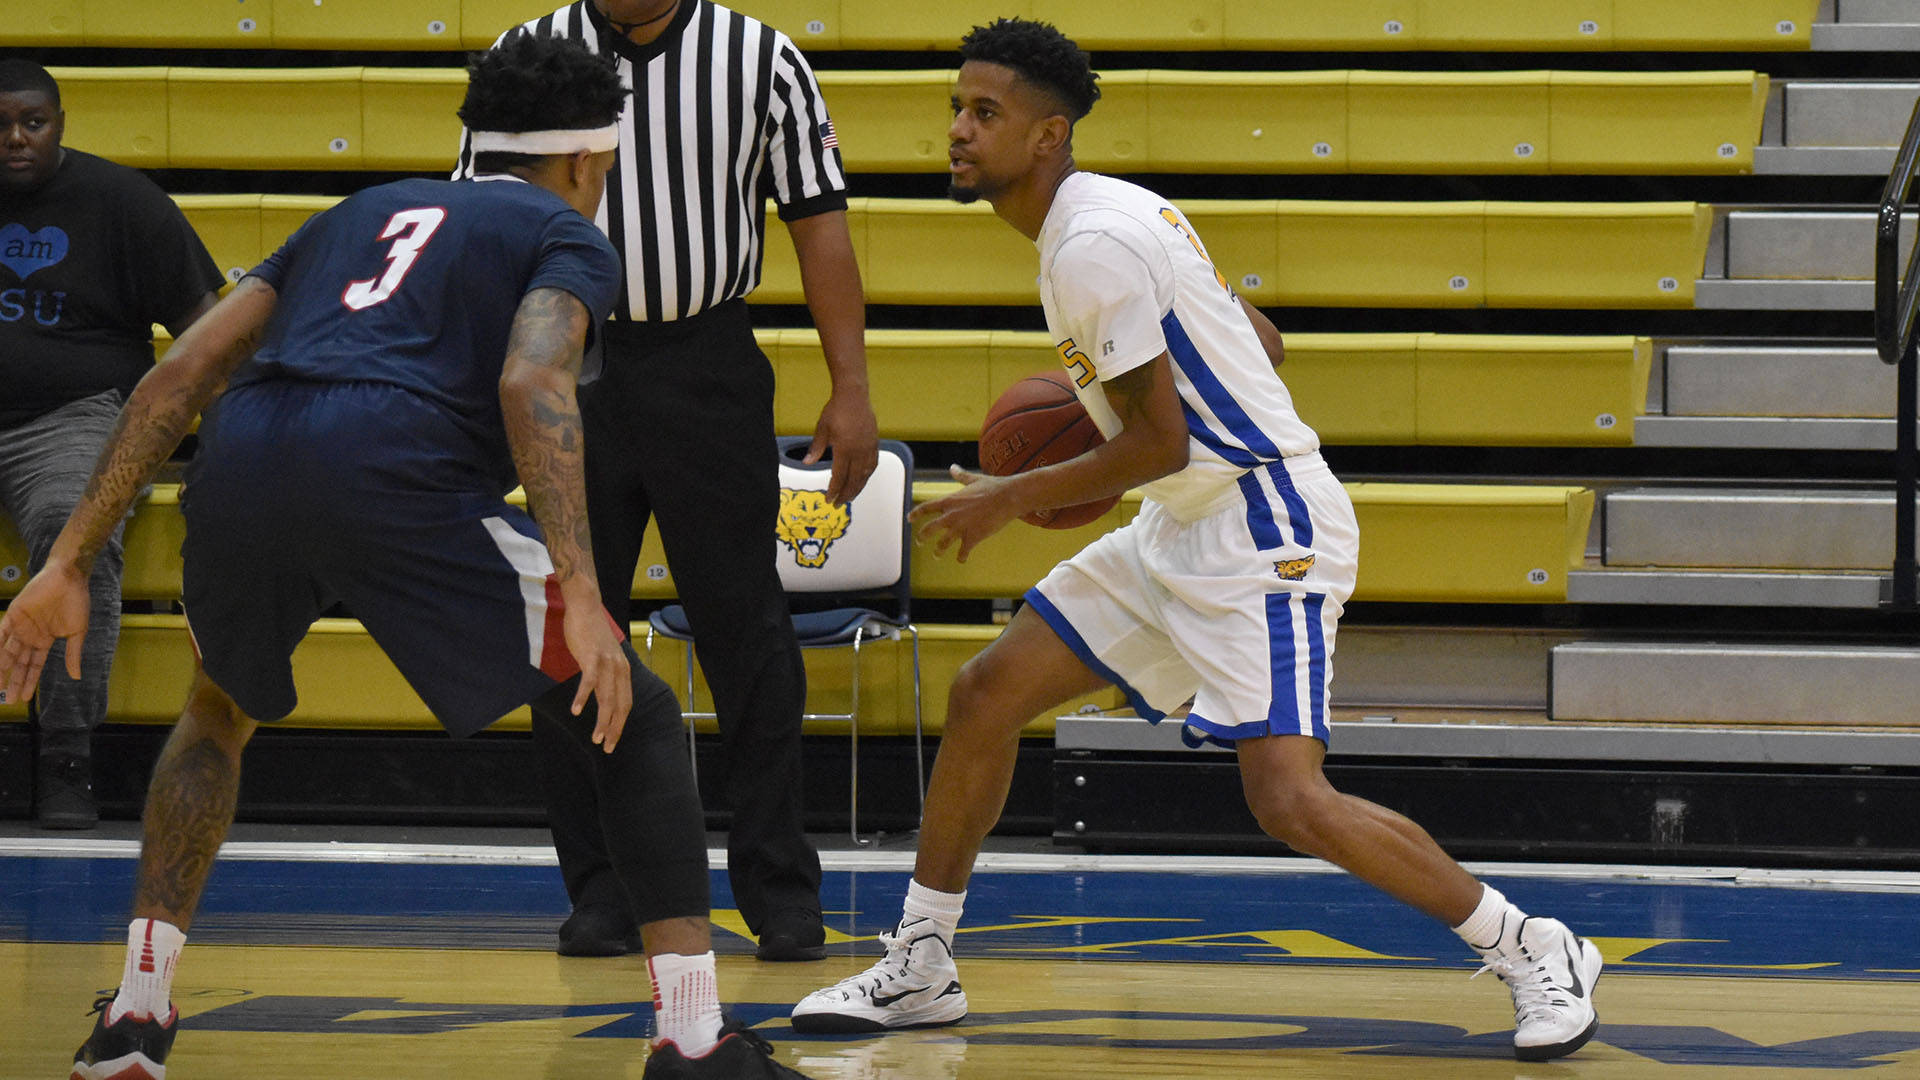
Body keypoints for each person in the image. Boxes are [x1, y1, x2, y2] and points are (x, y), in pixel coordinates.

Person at [791, 17, 1605, 1064]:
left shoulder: (1090, 245)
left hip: (1262, 525)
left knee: (1289, 799)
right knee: (986, 693)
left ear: (1047, 135)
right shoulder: (1120, 209)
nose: (957, 129)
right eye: (957, 107)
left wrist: (1010, 497)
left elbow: (1157, 442)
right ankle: (922, 964)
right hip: (1184, 516)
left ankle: (1529, 943)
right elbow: (1259, 339)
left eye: (983, 113)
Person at [0, 34, 807, 1080]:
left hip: (245, 457)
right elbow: (532, 382)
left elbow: (179, 375)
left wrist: (66, 560)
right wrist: (584, 591)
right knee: (631, 710)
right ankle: (693, 1038)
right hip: (391, 458)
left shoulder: (356, 211)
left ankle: (137, 1018)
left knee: (217, 709)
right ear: (590, 159)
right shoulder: (566, 234)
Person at [452, 0, 878, 963]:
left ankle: (778, 887)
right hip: (560, 358)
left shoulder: (761, 57)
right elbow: (475, 225)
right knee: (571, 628)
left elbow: (820, 228)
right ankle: (602, 891)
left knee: (747, 630)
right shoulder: (525, 51)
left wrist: (851, 386)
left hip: (706, 362)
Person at [0, 58, 223, 829]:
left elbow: (205, 334)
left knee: (77, 527)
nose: (16, 138)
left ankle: (66, 756)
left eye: (32, 123)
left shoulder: (124, 202)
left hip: (71, 417)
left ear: (60, 125)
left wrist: (230, 444)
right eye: (1, 126)